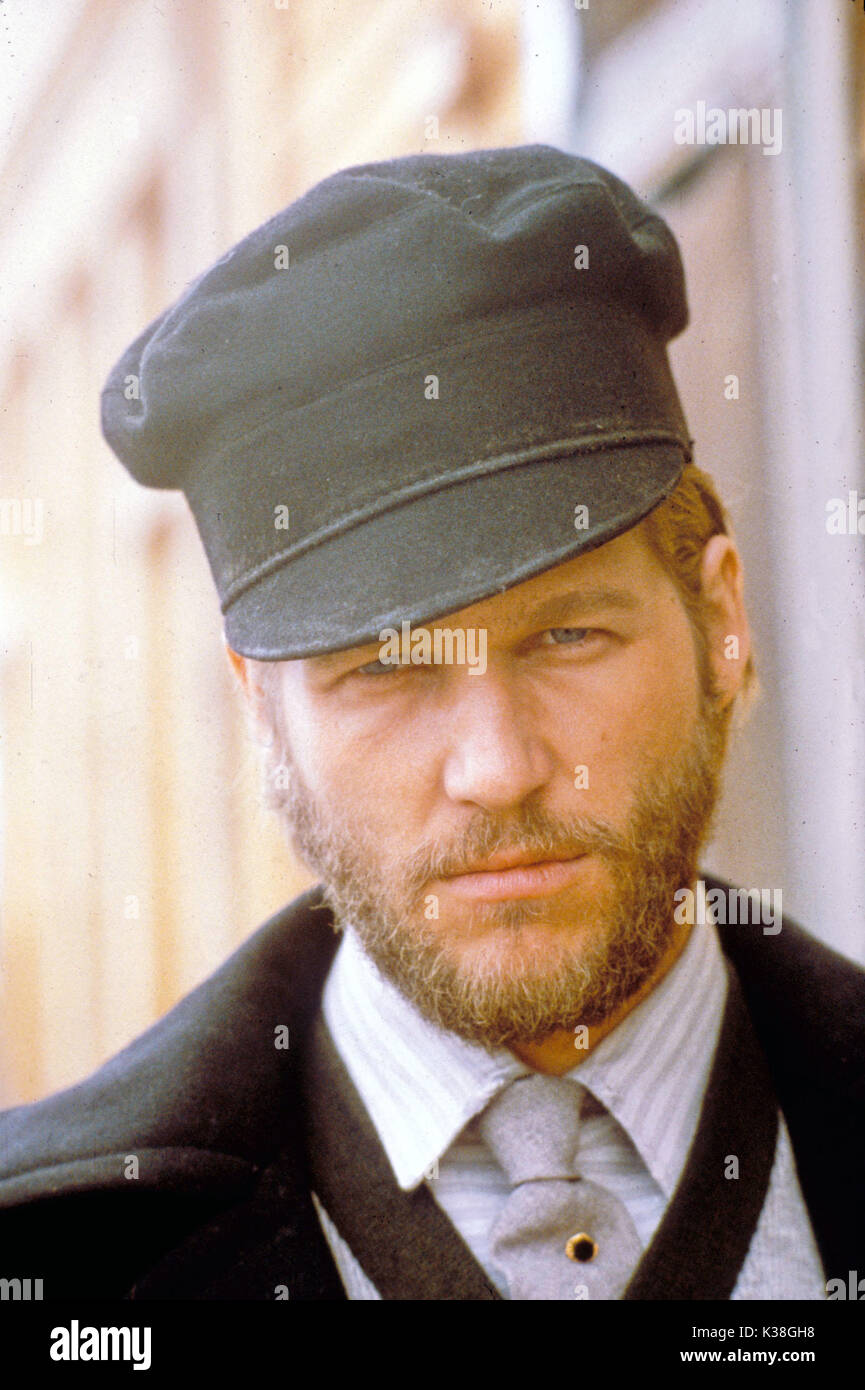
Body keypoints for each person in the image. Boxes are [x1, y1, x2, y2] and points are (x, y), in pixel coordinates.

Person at [0, 145, 862, 1301]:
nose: (498, 768)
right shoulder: (62, 1264)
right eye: (386, 671)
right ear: (261, 706)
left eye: (567, 637)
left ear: (718, 620)